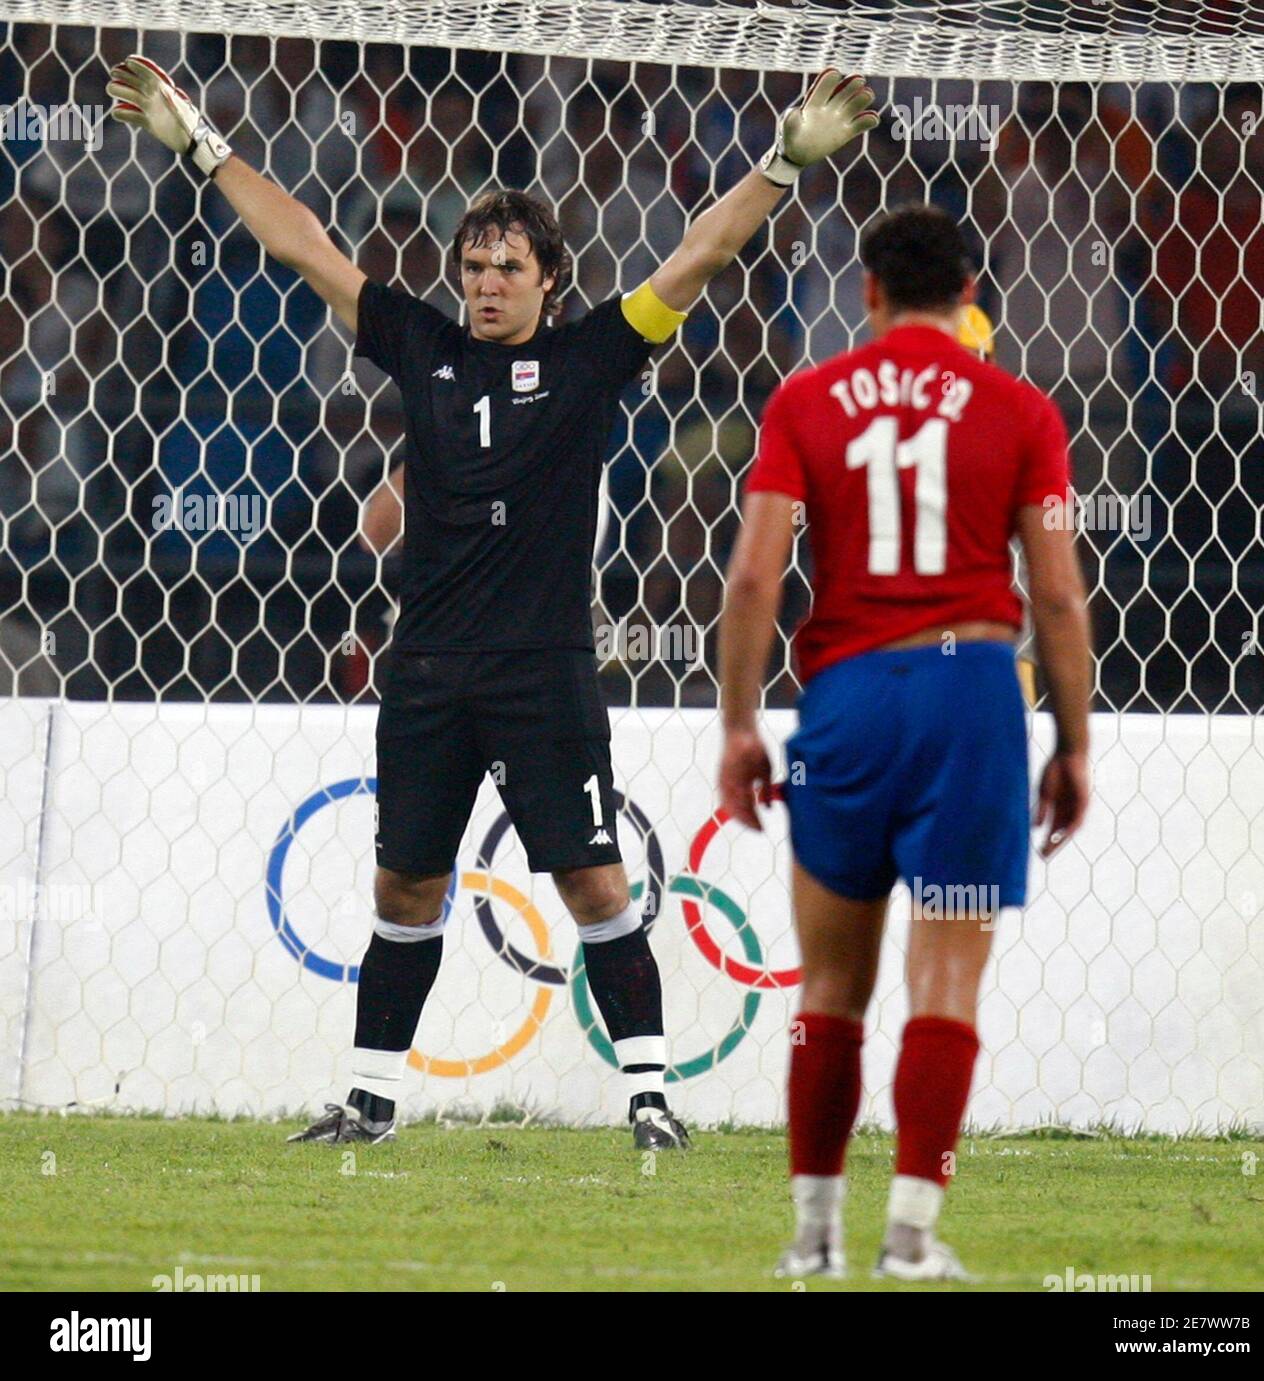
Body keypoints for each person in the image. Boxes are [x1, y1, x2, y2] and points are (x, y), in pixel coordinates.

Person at [105, 55, 879, 1150]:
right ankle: (370, 1103)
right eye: (473, 265)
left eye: (506, 267)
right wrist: (204, 147)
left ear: (547, 280)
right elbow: (301, 245)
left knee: (595, 883)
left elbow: (701, 253)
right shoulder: (419, 346)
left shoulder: (593, 354)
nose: (483, 283)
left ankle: (650, 1098)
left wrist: (779, 163)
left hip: (542, 669)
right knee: (405, 884)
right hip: (425, 670)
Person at [717, 205, 1091, 1277]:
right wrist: (1071, 743)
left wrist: (740, 725)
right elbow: (1057, 598)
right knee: (946, 983)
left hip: (846, 700)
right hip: (969, 696)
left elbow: (750, 576)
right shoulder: (1022, 409)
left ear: (867, 292)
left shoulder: (804, 400)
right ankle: (912, 1237)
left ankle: (812, 1238)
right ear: (970, 292)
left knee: (828, 989)